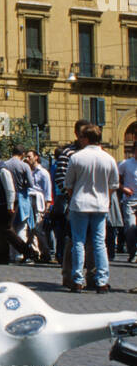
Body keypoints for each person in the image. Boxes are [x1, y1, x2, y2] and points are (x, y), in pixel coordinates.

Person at [64, 125, 119, 293]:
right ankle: (102, 280)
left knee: (78, 242)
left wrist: (74, 196)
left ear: (86, 139)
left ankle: (78, 280)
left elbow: (68, 184)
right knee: (99, 243)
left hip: (79, 203)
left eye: (81, 137)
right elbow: (114, 184)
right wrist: (106, 197)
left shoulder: (76, 157)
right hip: (100, 204)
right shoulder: (108, 159)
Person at [51, 119, 89, 264]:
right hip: (72, 201)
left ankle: (94, 275)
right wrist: (70, 195)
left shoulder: (95, 152)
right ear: (76, 133)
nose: (84, 137)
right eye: (82, 134)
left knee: (93, 240)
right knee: (72, 236)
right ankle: (70, 270)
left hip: (92, 202)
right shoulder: (68, 153)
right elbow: (60, 177)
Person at [118, 144, 137, 262]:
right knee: (130, 228)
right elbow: (115, 179)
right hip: (130, 200)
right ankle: (132, 252)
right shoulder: (125, 164)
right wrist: (123, 188)